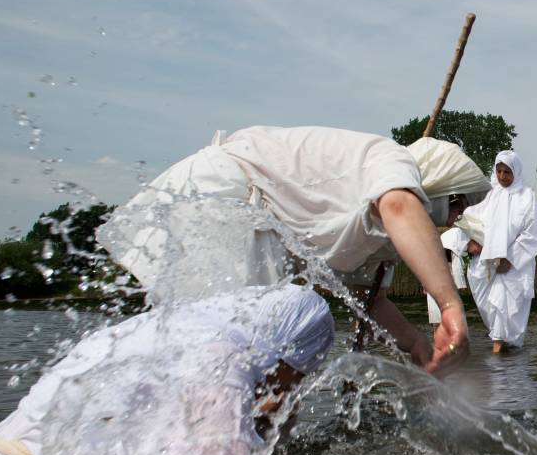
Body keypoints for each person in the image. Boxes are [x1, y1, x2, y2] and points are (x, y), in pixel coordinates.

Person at [97, 127, 489, 374]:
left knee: (241, 358)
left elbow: (367, 299)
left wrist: (417, 344)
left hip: (251, 226)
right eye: (457, 205)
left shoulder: (382, 237)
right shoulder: (392, 160)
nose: (455, 219)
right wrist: (450, 306)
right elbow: (401, 205)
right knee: (228, 354)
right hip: (223, 200)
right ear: (440, 187)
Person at [0, 284, 333, 455]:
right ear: (293, 347)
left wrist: (251, 419)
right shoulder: (223, 361)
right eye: (308, 364)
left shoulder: (172, 326)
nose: (300, 381)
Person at [451, 150, 537, 353]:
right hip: (487, 264)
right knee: (492, 310)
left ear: (515, 172)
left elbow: (532, 234)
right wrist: (470, 242)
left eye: (507, 172)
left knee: (505, 309)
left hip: (514, 267)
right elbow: (469, 219)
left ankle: (499, 354)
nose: (502, 176)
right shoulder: (490, 195)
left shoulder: (527, 197)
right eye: (499, 171)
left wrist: (510, 258)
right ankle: (506, 356)